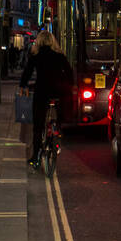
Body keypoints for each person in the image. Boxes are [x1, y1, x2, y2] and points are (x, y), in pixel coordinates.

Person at [20, 31, 75, 168]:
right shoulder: (59, 55)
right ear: (52, 41)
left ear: (39, 41)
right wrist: (69, 85)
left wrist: (23, 85)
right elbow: (69, 73)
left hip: (42, 91)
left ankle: (36, 157)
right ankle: (57, 130)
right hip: (58, 91)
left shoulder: (36, 55)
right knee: (59, 112)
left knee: (38, 126)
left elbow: (27, 72)